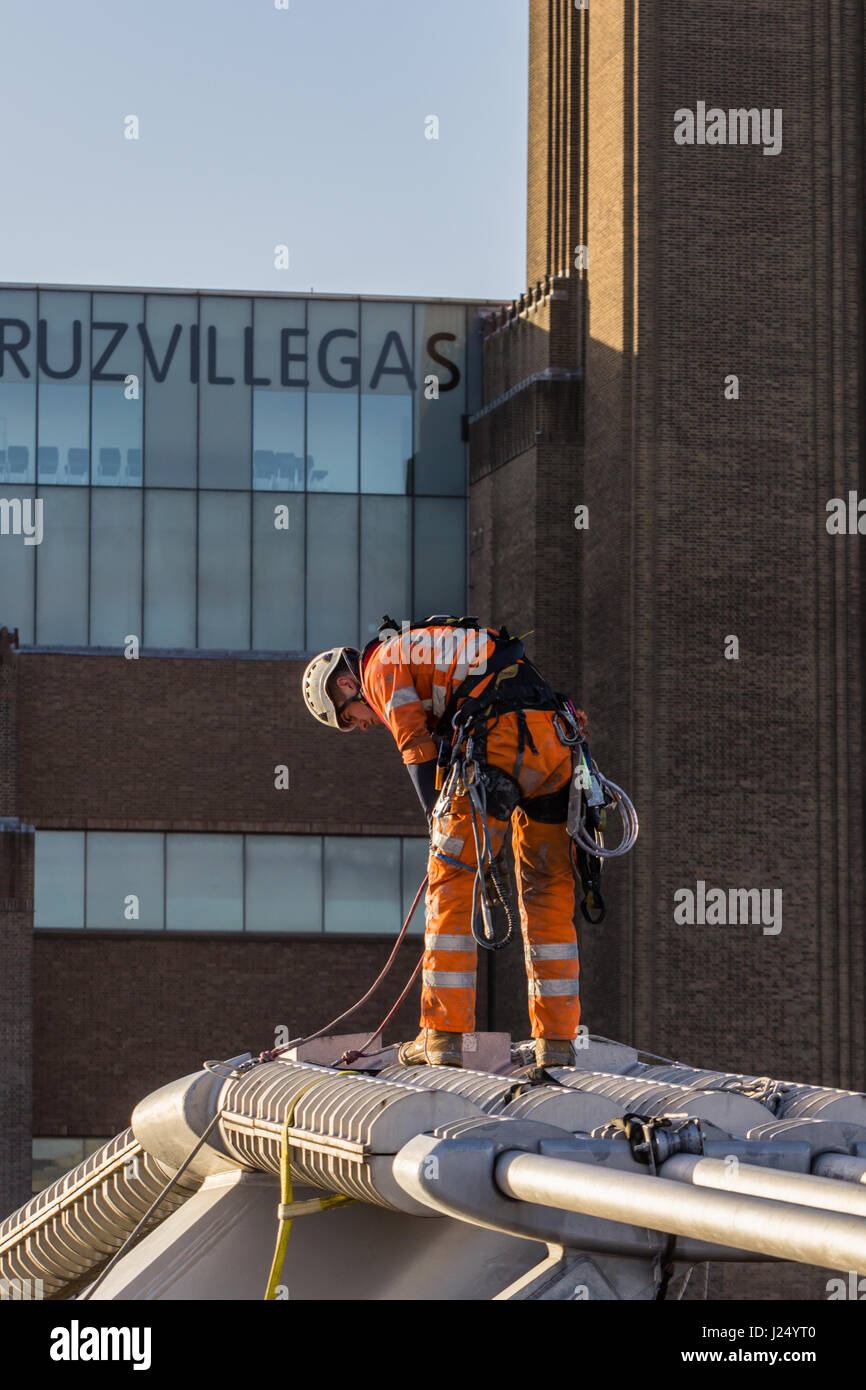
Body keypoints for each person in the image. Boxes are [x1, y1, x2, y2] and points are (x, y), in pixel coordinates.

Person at [302, 617, 581, 1069]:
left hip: (500, 740)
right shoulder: (431, 644)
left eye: (350, 720)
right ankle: (559, 1043)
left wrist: (438, 823)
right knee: (548, 890)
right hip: (556, 741)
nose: (362, 726)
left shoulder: (381, 667)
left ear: (348, 684)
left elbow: (413, 743)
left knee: (450, 881)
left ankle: (443, 1036)